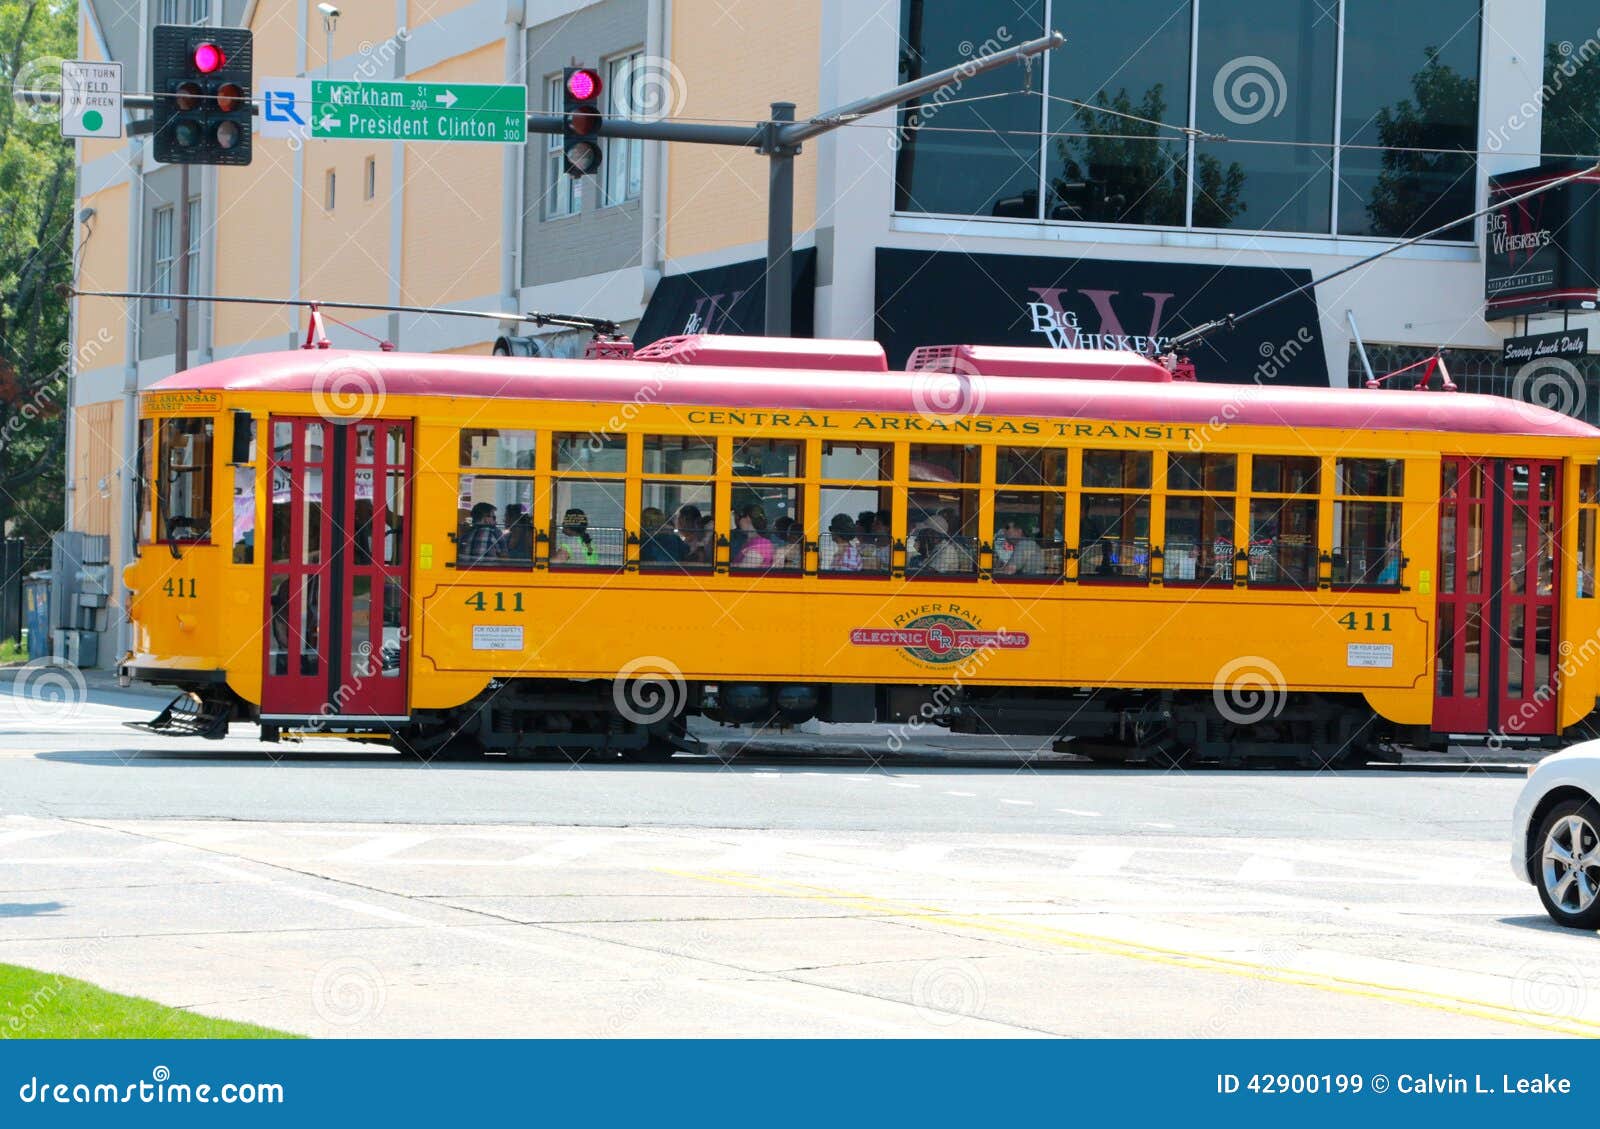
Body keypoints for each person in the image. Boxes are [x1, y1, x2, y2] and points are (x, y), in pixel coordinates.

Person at [733, 504, 773, 569]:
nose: (738, 522)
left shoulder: (761, 545)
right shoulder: (750, 542)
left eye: (739, 518)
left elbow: (743, 573)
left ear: (747, 519)